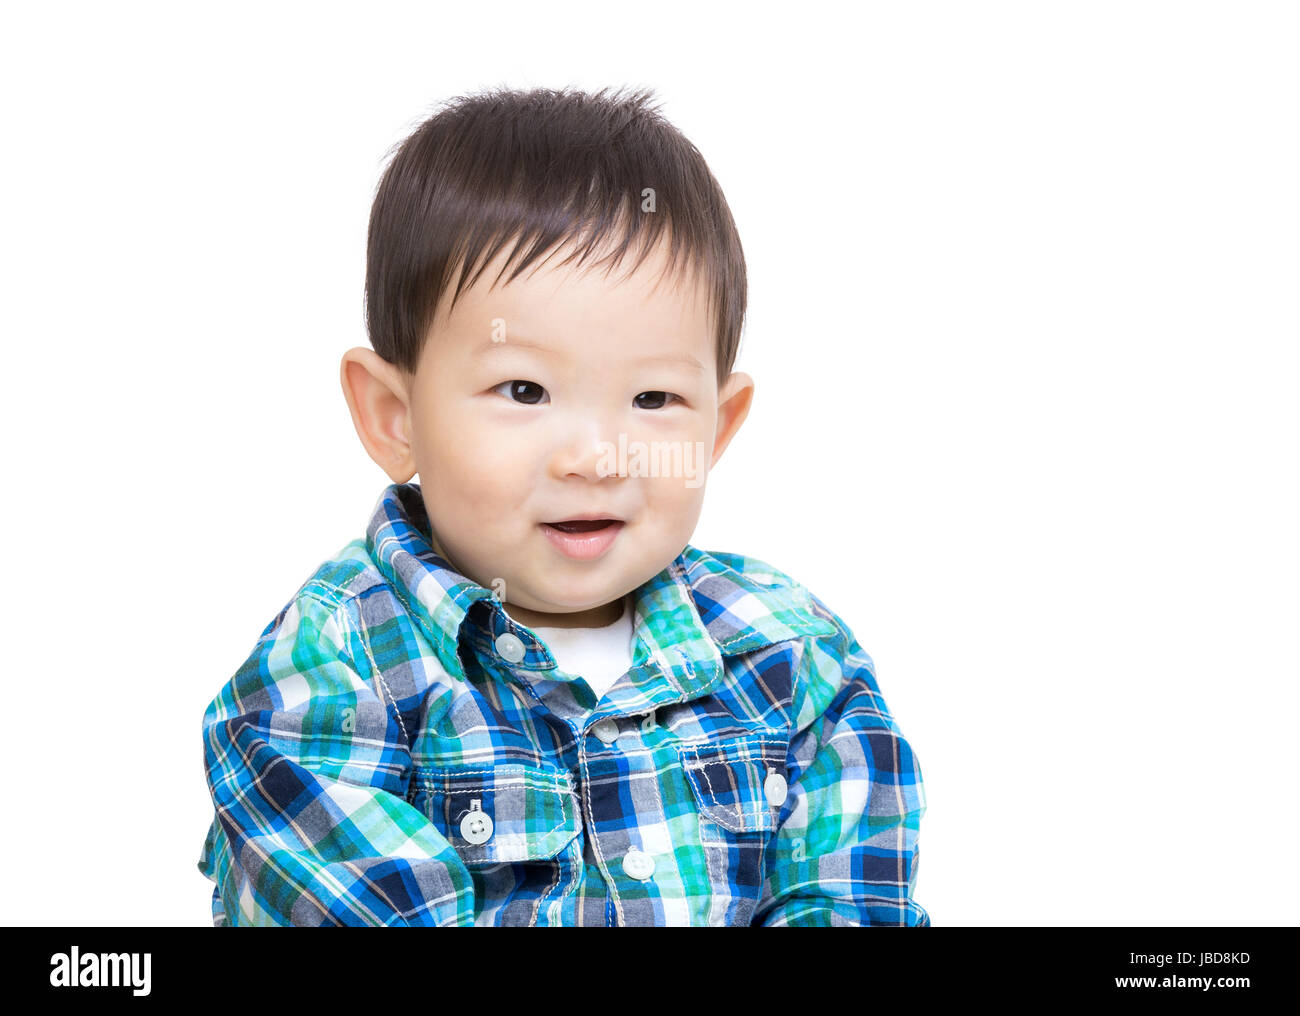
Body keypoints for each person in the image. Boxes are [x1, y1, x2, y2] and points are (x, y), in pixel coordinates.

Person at [197, 85, 929, 926]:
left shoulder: (795, 657)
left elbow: (849, 898)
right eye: (524, 389)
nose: (596, 457)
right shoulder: (330, 669)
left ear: (719, 427)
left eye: (654, 399)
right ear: (394, 417)